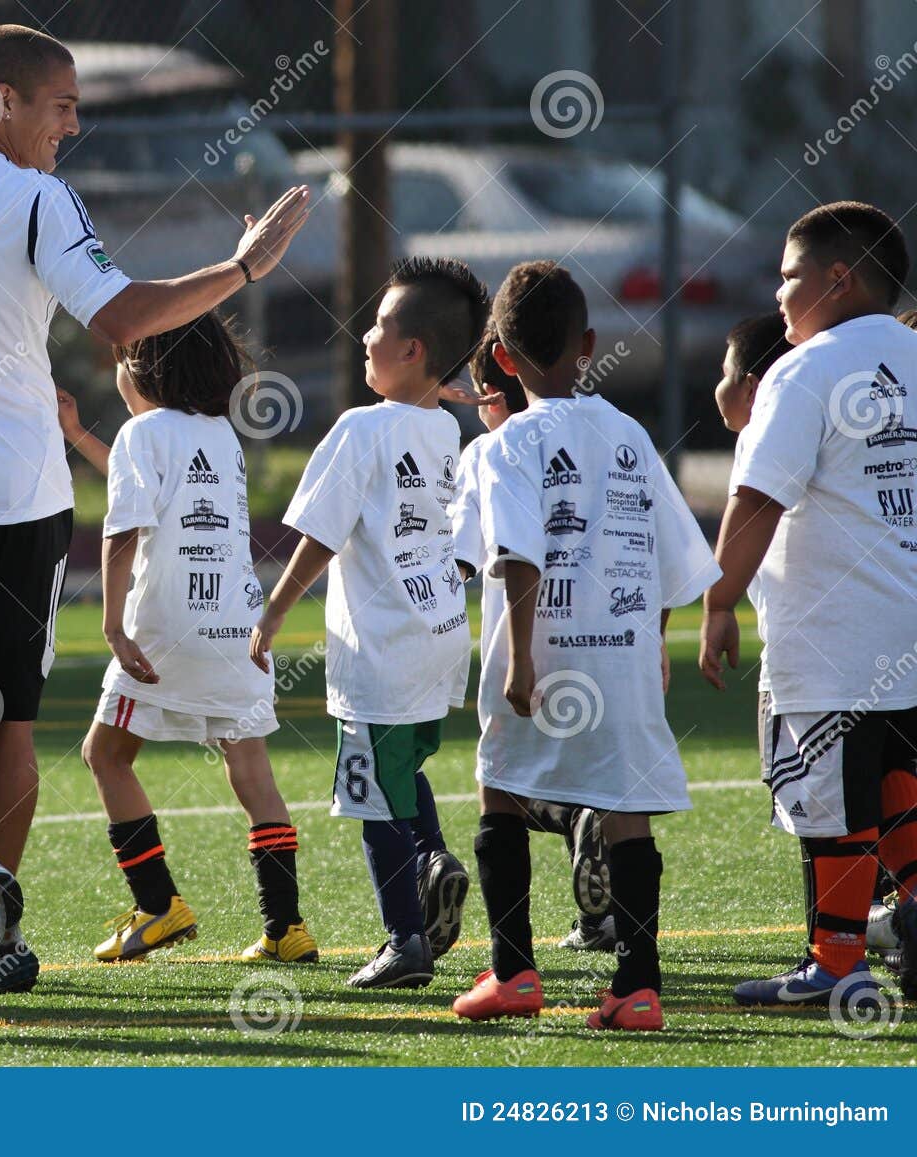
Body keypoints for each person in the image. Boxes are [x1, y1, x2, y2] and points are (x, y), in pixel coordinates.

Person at [0, 23, 310, 992]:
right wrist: (243, 268)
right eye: (62, 106)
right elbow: (123, 316)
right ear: (3, 100)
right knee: (8, 720)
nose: (73, 126)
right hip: (24, 492)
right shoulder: (34, 196)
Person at [455, 260, 719, 1031]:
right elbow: (668, 555)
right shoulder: (631, 434)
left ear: (500, 356)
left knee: (499, 787)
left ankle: (514, 971)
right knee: (626, 804)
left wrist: (523, 658)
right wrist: (656, 649)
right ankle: (637, 984)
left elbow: (516, 552)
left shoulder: (509, 444)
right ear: (588, 344)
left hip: (548, 648)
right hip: (624, 653)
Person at [700, 202, 917, 1008]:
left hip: (836, 636)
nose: (780, 293)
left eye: (790, 276)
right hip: (907, 631)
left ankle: (835, 963)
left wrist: (717, 603)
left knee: (832, 799)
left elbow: (757, 500)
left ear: (838, 278)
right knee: (898, 782)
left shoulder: (805, 368)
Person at [252, 258, 490, 989]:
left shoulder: (361, 428)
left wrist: (273, 612)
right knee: (401, 771)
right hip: (442, 631)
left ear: (413, 349)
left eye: (380, 326)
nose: (363, 336)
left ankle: (404, 939)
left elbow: (320, 534)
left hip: (381, 641)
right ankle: (434, 861)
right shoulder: (447, 429)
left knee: (370, 791)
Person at [67, 312, 315, 964]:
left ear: (144, 369)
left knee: (106, 756)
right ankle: (285, 927)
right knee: (251, 770)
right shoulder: (220, 437)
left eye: (124, 356)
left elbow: (123, 529)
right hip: (239, 634)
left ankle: (158, 906)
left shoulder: (139, 434)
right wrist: (78, 438)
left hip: (164, 633)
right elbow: (150, 489)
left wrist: (112, 625)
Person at [449, 324, 616, 953]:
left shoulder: (490, 456)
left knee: (504, 783)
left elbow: (464, 559)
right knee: (597, 777)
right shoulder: (607, 434)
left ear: (495, 389)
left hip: (525, 652)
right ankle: (603, 920)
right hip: (604, 644)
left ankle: (510, 960)